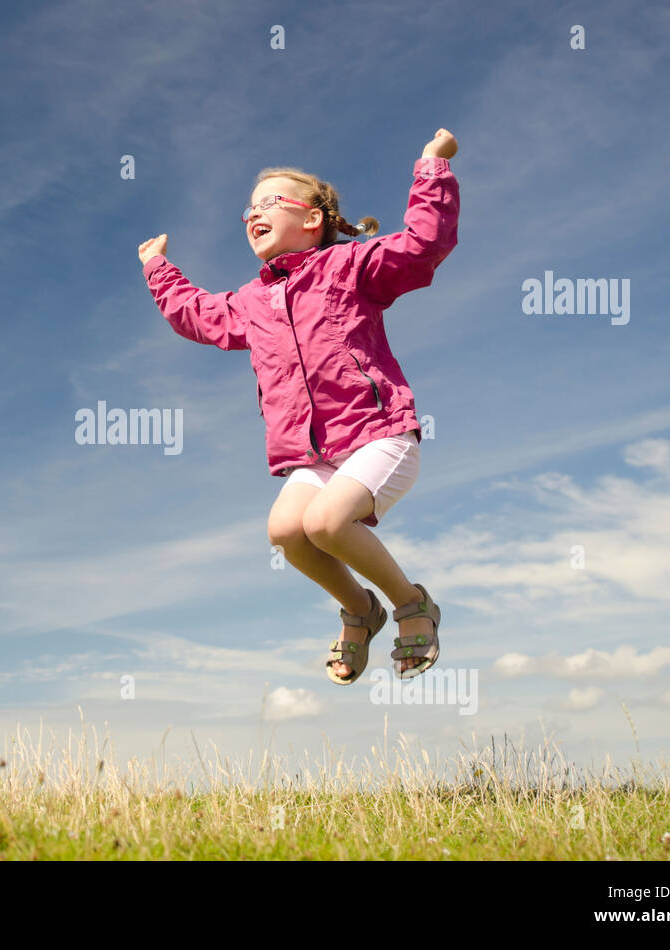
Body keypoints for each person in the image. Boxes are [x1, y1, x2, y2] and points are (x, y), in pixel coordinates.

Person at [137, 129, 459, 684]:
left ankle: (412, 604)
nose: (252, 215)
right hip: (314, 454)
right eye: (248, 209)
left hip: (379, 435)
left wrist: (431, 168)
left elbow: (423, 245)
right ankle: (361, 610)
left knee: (327, 522)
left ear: (311, 220)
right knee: (287, 532)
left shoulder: (350, 267)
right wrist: (158, 269)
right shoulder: (249, 302)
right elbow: (197, 316)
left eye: (269, 203)